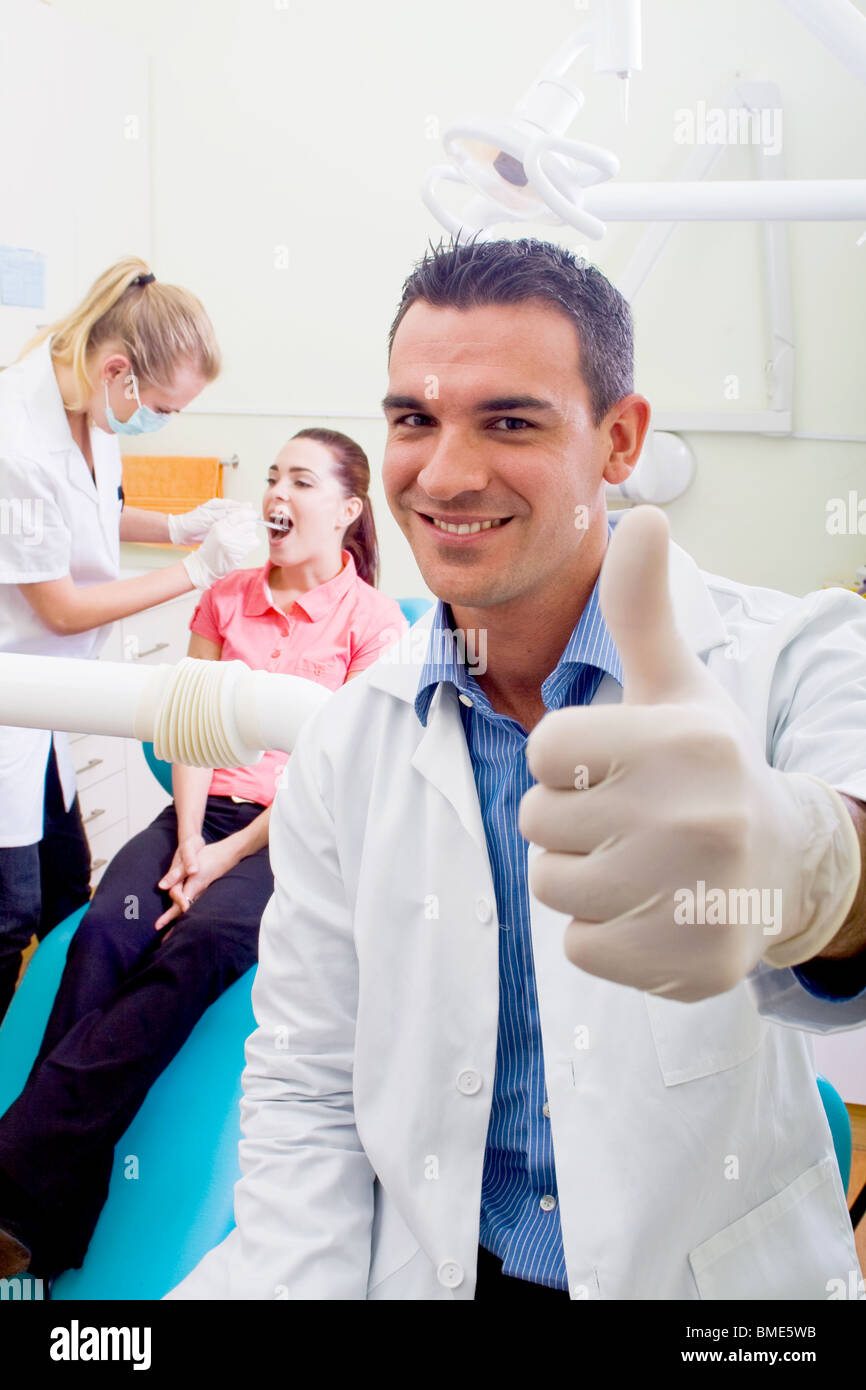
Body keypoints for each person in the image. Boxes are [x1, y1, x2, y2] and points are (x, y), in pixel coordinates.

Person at [160, 237, 866, 1301]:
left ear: (617, 439)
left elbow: (852, 848)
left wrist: (804, 869)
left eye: (509, 421)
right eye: (413, 420)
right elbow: (307, 1079)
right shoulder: (350, 741)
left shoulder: (789, 651)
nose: (443, 473)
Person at [0, 427, 407, 1280]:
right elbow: (186, 727)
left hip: (289, 833)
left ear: (347, 511)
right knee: (105, 933)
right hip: (197, 814)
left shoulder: (372, 624)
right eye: (271, 475)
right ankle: (44, 1222)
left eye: (300, 479)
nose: (276, 494)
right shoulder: (226, 597)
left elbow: (334, 774)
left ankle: (11, 1176)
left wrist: (222, 862)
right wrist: (187, 840)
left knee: (201, 947)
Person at [0, 256, 259, 1022]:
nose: (164, 424)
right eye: (166, 409)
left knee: (64, 889)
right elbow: (62, 609)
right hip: (18, 681)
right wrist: (196, 570)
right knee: (9, 917)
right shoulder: (17, 438)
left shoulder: (85, 404)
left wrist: (174, 524)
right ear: (120, 371)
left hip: (44, 702)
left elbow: (92, 511)